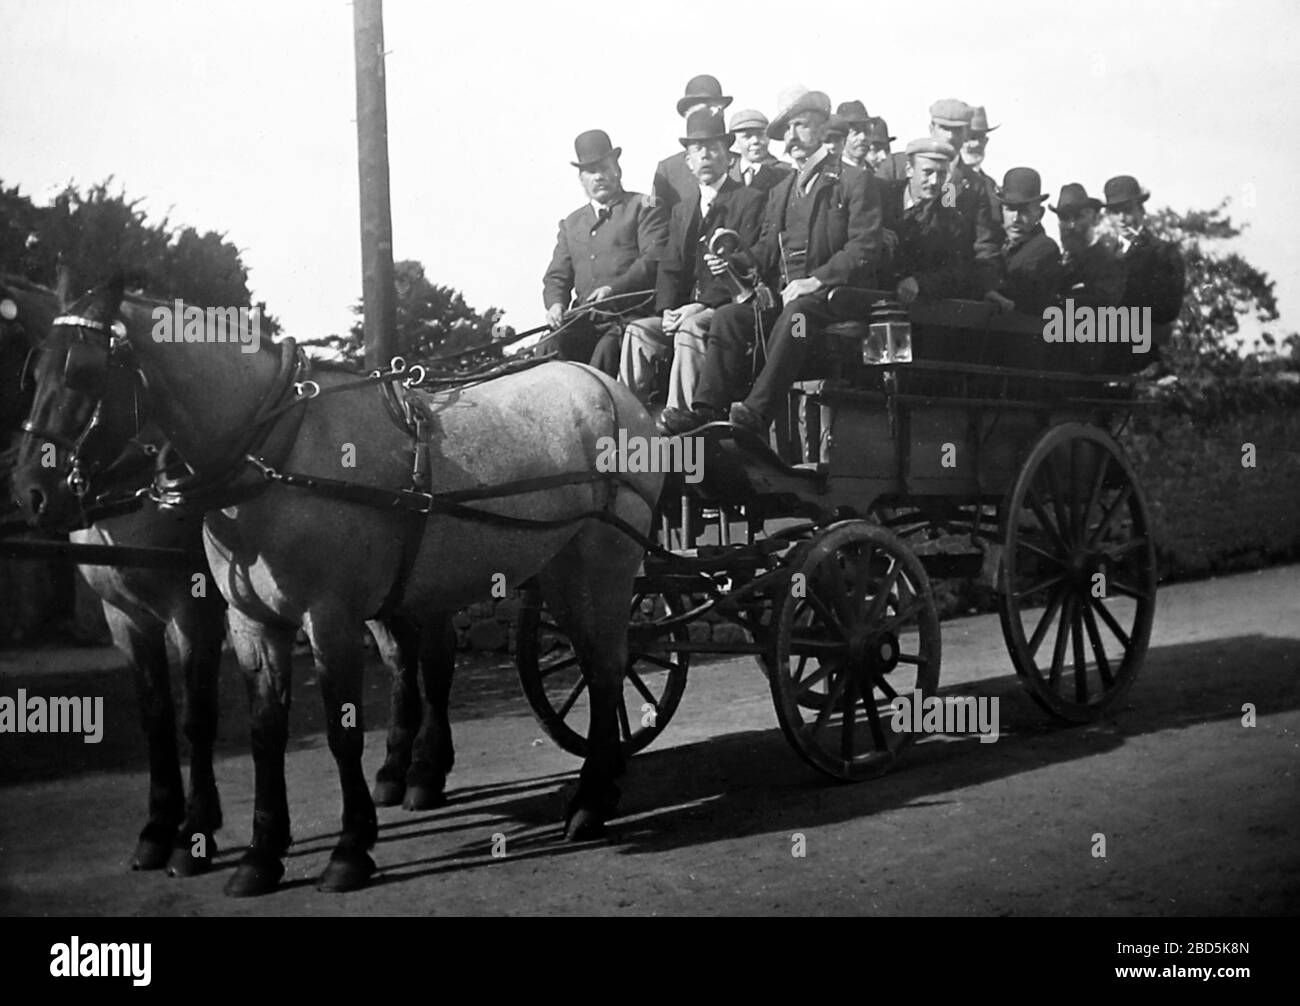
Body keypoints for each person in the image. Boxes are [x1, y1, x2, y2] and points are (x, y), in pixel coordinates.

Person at [662, 86, 884, 437]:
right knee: (728, 317)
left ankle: (757, 411)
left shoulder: (853, 181)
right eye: (787, 131)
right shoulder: (782, 191)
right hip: (787, 298)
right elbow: (765, 251)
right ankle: (706, 410)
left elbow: (864, 246)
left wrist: (816, 280)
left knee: (797, 316)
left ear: (824, 128)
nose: (792, 138)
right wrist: (733, 261)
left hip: (836, 298)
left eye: (802, 126)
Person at [621, 108, 766, 414]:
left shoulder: (750, 200)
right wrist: (667, 310)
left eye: (714, 149)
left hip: (725, 309)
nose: (706, 157)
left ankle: (680, 423)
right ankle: (626, 424)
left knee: (691, 328)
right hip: (684, 309)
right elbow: (670, 267)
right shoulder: (682, 210)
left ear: (729, 157)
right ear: (687, 162)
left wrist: (700, 306)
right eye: (697, 150)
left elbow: (750, 263)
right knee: (638, 332)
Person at [542, 129, 669, 373]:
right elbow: (557, 276)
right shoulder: (571, 223)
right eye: (590, 171)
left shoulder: (644, 206)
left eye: (604, 167)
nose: (598, 176)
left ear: (617, 170)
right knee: (549, 346)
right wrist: (556, 304)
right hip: (583, 319)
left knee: (605, 354)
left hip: (629, 314)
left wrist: (614, 289)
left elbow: (652, 260)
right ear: (581, 179)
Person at [881, 138, 975, 303]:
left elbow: (958, 273)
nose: (934, 182)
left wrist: (919, 282)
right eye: (927, 172)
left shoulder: (951, 220)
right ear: (909, 169)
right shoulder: (881, 197)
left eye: (941, 174)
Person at [1103, 174, 1186, 352]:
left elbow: (1167, 310)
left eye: (1127, 210)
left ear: (1141, 210)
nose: (1122, 219)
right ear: (1108, 216)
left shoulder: (1164, 254)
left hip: (1144, 351)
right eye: (1115, 212)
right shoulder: (1103, 256)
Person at [985, 167, 1062, 317]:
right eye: (1010, 209)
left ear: (1039, 214)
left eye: (1025, 210)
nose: (1016, 218)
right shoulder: (993, 243)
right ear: (1001, 210)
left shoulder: (1045, 249)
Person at [653, 74, 733, 210]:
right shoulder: (668, 169)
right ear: (687, 115)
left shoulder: (741, 163)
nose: (706, 115)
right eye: (698, 110)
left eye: (713, 108)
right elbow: (653, 210)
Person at [1052, 183, 1126, 308]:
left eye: (1078, 217)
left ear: (1094, 219)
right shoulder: (1054, 262)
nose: (1071, 226)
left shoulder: (1107, 265)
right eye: (1064, 218)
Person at [728, 108, 794, 193]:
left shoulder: (786, 172)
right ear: (735, 142)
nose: (755, 141)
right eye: (747, 136)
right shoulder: (725, 173)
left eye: (760, 135)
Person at [836, 100, 874, 170]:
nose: (863, 137)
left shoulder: (876, 174)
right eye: (856, 132)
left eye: (867, 131)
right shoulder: (831, 174)